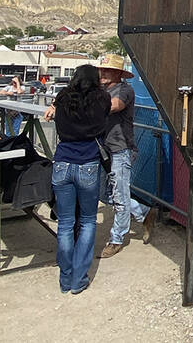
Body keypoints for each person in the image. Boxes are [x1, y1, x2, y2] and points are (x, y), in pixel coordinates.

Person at [45, 63, 112, 294]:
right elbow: (104, 119)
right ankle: (78, 278)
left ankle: (65, 278)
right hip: (88, 164)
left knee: (65, 223)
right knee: (87, 221)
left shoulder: (63, 97)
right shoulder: (101, 99)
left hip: (62, 161)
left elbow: (56, 109)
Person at [94, 54, 154, 258]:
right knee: (105, 193)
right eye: (101, 70)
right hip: (105, 148)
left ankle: (116, 239)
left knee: (119, 195)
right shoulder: (100, 91)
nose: (102, 73)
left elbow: (115, 106)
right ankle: (144, 212)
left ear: (119, 73)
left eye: (107, 70)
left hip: (121, 149)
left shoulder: (125, 90)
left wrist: (86, 104)